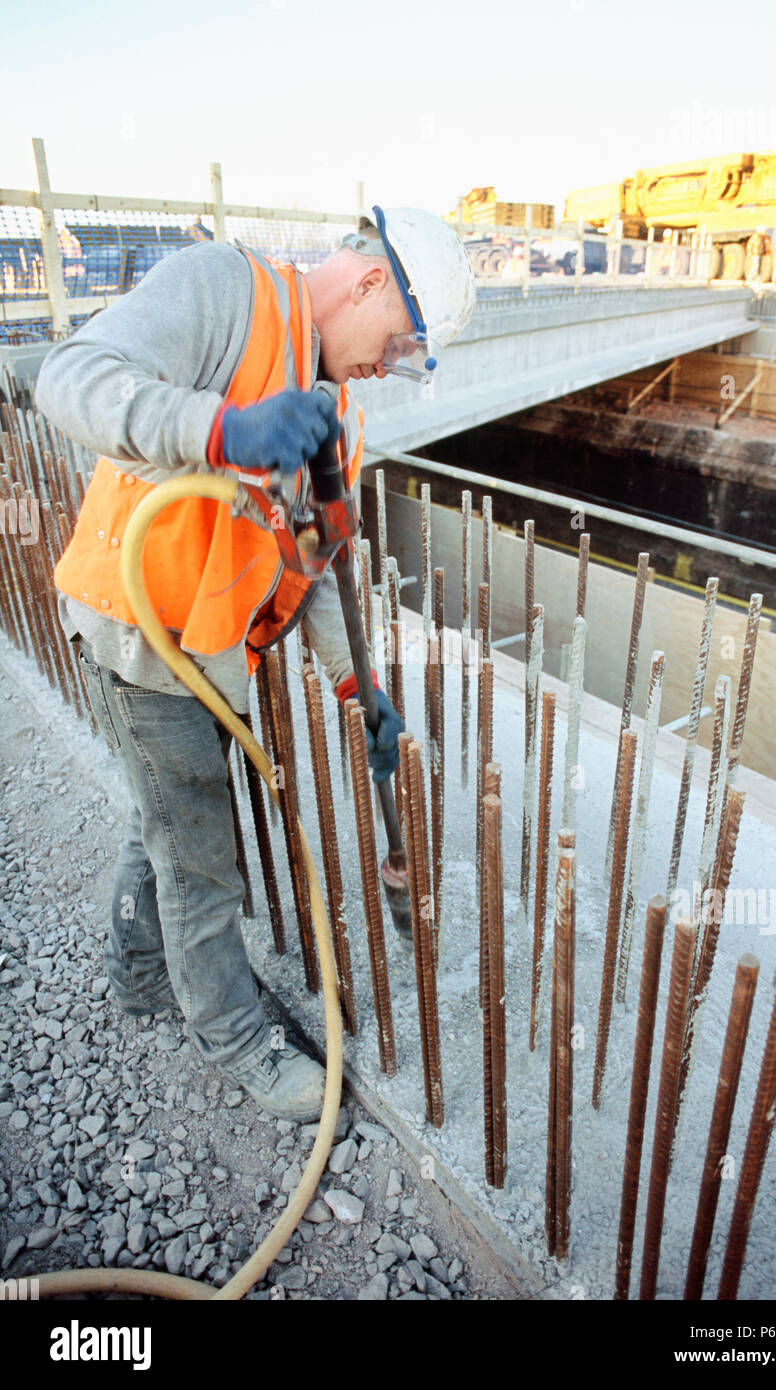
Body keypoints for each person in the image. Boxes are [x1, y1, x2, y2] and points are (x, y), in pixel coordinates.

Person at [35, 206, 476, 1120]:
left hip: (206, 647)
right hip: (137, 627)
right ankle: (229, 1034)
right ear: (368, 282)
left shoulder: (335, 418)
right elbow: (68, 379)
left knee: (164, 812)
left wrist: (361, 687)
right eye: (394, 344)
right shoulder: (221, 288)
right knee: (201, 858)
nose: (382, 369)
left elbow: (317, 571)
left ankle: (141, 971)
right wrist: (224, 430)